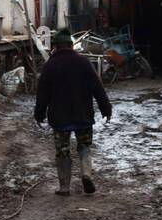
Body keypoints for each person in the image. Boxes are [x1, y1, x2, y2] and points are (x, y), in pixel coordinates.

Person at [34, 28, 112, 195]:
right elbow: (98, 88)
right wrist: (106, 108)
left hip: (59, 117)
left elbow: (42, 94)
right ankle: (86, 173)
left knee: (62, 151)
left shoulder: (50, 65)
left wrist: (39, 114)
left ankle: (64, 187)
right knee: (84, 146)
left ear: (55, 47)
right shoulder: (84, 62)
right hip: (82, 115)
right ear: (71, 45)